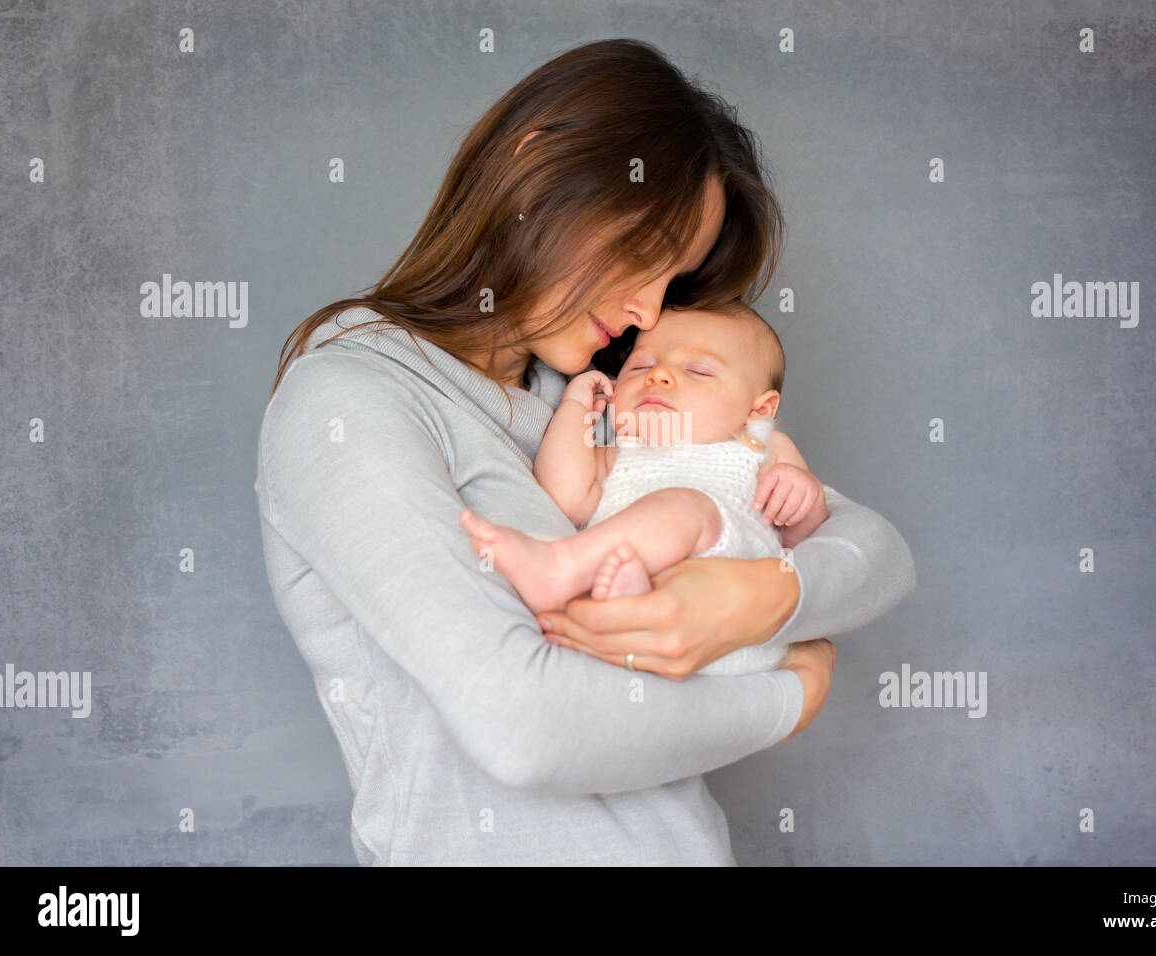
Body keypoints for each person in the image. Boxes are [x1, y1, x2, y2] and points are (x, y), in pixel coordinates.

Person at [255, 38, 916, 865]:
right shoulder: (350, 402)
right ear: (537, 169)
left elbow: (878, 554)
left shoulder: (612, 398)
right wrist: (790, 697)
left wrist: (754, 598)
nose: (650, 314)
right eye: (641, 255)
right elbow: (525, 729)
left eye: (671, 282)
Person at [460, 302, 829, 677]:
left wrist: (805, 497)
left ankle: (561, 566)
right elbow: (565, 498)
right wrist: (575, 408)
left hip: (730, 628)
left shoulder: (763, 448)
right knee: (626, 562)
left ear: (759, 410)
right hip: (633, 637)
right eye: (641, 366)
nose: (660, 375)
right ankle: (628, 591)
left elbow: (807, 542)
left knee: (687, 507)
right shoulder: (619, 452)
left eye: (697, 371)